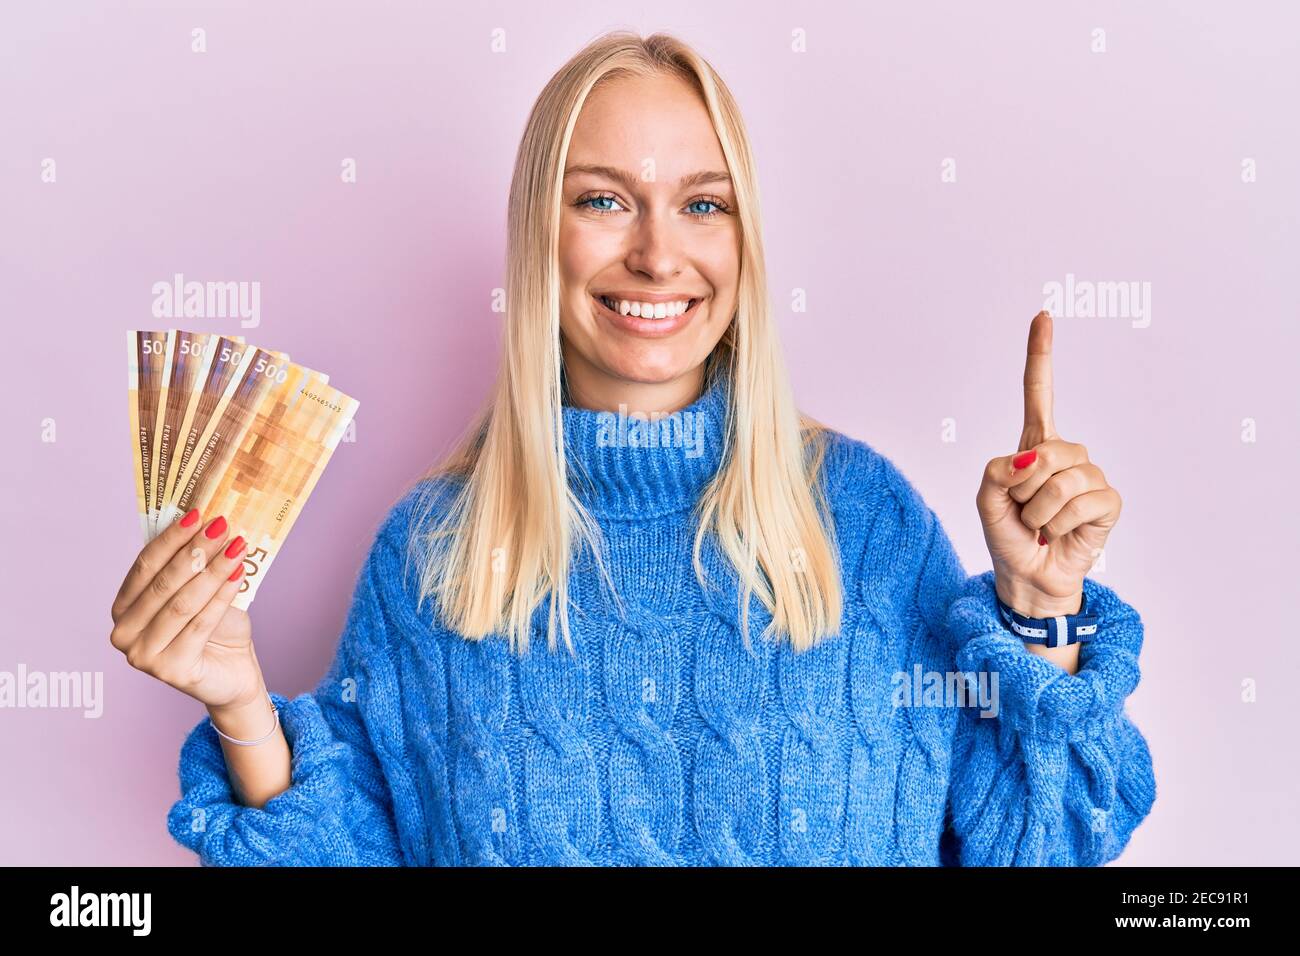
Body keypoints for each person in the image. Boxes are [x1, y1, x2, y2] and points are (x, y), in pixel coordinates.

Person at [109, 30, 1155, 866]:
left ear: (744, 243)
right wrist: (241, 704)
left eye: (703, 204)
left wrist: (1037, 612)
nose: (658, 254)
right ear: (540, 234)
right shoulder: (430, 555)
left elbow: (1037, 846)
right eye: (603, 200)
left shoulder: (865, 520)